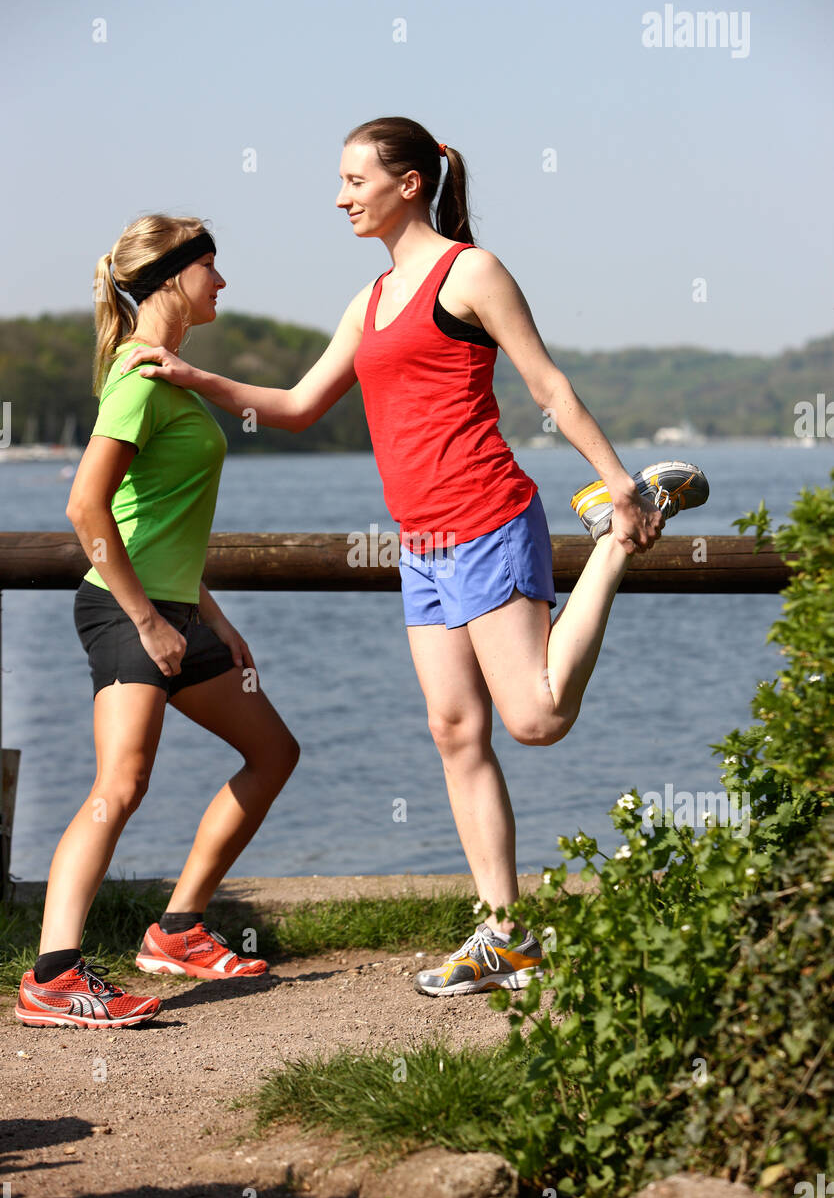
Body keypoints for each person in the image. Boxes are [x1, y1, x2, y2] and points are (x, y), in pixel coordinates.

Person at [117, 118, 708, 999]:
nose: (341, 195)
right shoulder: (372, 299)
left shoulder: (470, 271)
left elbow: (546, 383)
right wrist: (197, 378)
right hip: (422, 544)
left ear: (409, 183)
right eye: (342, 180)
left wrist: (615, 477)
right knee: (455, 732)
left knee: (536, 719)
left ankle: (616, 540)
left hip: (488, 518)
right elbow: (299, 404)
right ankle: (504, 935)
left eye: (356, 179)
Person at [15, 215, 300, 1029]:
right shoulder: (138, 378)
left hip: (172, 610)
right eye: (213, 267)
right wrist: (147, 621)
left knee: (272, 751)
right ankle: (54, 975)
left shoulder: (169, 374)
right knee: (121, 784)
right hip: (124, 608)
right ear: (174, 276)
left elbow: (163, 518)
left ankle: (177, 930)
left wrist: (213, 616)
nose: (223, 282)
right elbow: (86, 507)